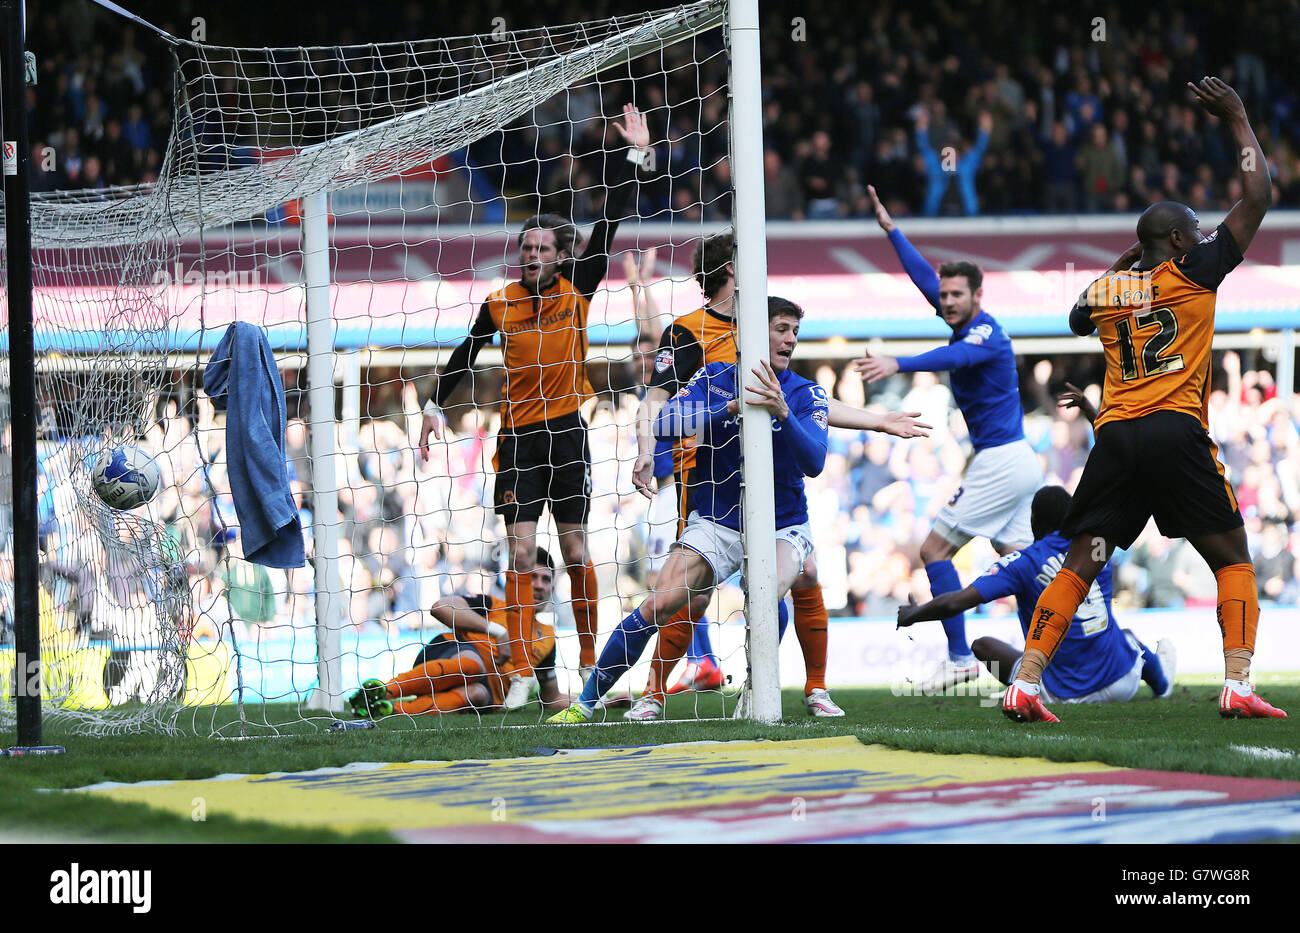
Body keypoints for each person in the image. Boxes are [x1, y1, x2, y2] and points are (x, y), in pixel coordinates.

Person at [1002, 77, 1285, 723]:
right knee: (1232, 558)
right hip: (1173, 430)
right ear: (1183, 242)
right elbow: (1260, 195)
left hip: (1117, 440)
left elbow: (1075, 317)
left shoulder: (1111, 294)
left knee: (1080, 560)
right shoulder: (1195, 269)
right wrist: (1238, 116)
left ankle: (1024, 681)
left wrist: (1124, 262)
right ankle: (1237, 682)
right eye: (1194, 229)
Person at [628, 235, 931, 718]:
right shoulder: (688, 332)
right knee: (691, 595)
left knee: (799, 576)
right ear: (732, 268)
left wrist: (877, 419)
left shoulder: (765, 324)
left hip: (771, 479)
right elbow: (657, 399)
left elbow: (805, 403)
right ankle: (653, 693)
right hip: (706, 477)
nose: (788, 336)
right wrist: (647, 451)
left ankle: (801, 686)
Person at [417, 104, 652, 708]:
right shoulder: (499, 303)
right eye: (527, 247)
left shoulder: (581, 286)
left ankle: (593, 662)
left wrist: (633, 155)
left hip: (568, 432)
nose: (532, 255)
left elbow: (611, 222)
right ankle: (520, 667)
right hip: (518, 438)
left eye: (543, 248)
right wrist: (432, 407)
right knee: (521, 550)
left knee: (574, 550)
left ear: (561, 254)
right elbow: (465, 354)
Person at [547, 297, 828, 723]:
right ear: (751, 331)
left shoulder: (806, 393)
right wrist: (728, 409)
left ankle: (763, 689)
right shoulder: (713, 378)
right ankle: (586, 705)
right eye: (782, 328)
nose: (790, 339)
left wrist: (783, 413)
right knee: (659, 603)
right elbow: (663, 425)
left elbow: (815, 462)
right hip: (715, 521)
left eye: (794, 332)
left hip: (782, 524)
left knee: (769, 590)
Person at [854, 184, 1042, 695]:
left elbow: (954, 360)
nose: (949, 301)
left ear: (978, 297)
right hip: (1013, 460)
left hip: (1002, 462)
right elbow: (925, 282)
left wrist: (899, 362)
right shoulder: (960, 321)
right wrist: (893, 233)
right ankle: (1049, 664)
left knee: (934, 550)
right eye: (946, 295)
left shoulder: (987, 334)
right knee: (1027, 567)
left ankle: (959, 658)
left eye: (958, 294)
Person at [898, 485, 1176, 706]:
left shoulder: (1023, 562)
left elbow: (957, 600)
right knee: (1127, 637)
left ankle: (1025, 685)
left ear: (1034, 522)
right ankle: (1162, 686)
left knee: (982, 646)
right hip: (1120, 684)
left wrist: (915, 614)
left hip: (1059, 693)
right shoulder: (1098, 547)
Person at [348, 548, 571, 716]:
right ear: (516, 580)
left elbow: (551, 698)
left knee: (476, 694)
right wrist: (496, 630)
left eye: (546, 579)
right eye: (532, 577)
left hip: (484, 693)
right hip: (447, 656)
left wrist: (594, 701)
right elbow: (440, 607)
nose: (540, 585)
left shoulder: (547, 637)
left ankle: (388, 710)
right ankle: (384, 690)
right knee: (471, 664)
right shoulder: (491, 604)